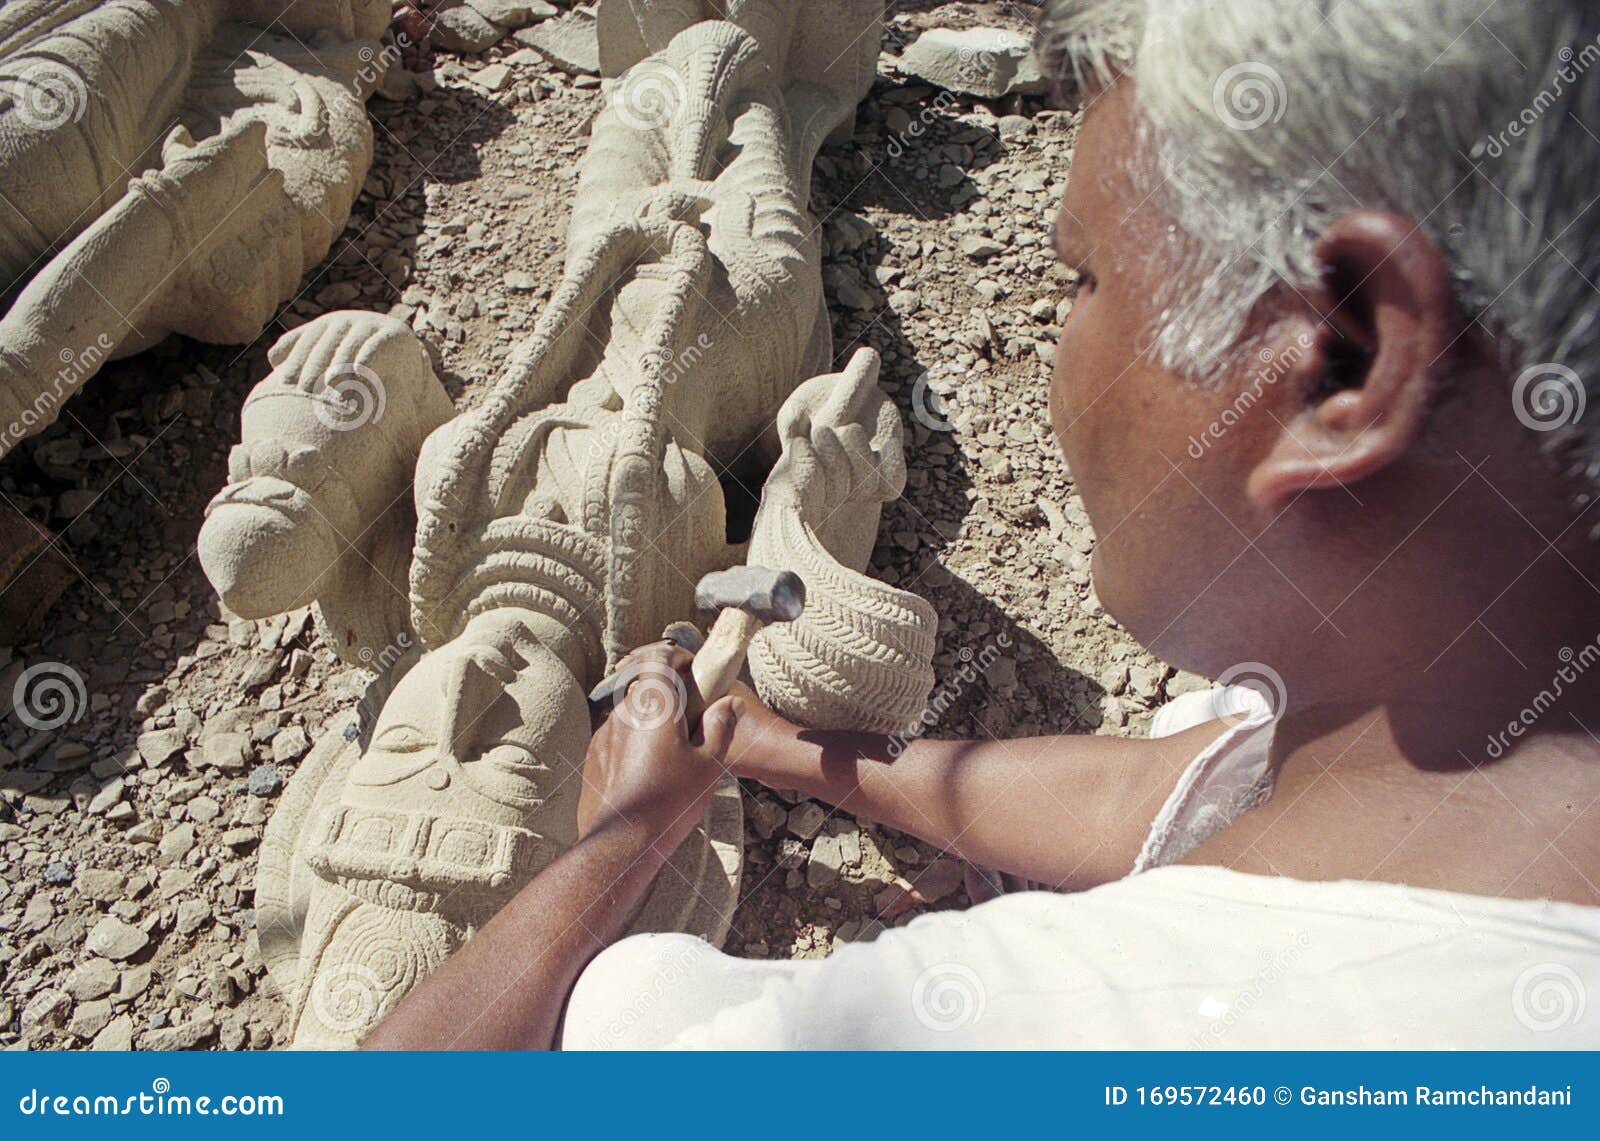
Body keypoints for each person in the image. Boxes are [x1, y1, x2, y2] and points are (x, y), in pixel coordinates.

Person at [365, 0, 1600, 1050]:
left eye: (1084, 278)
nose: (1053, 361)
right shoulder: (1439, 719)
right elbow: (1165, 790)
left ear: (1345, 360)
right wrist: (759, 740)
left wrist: (621, 845)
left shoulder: (979, 1041)